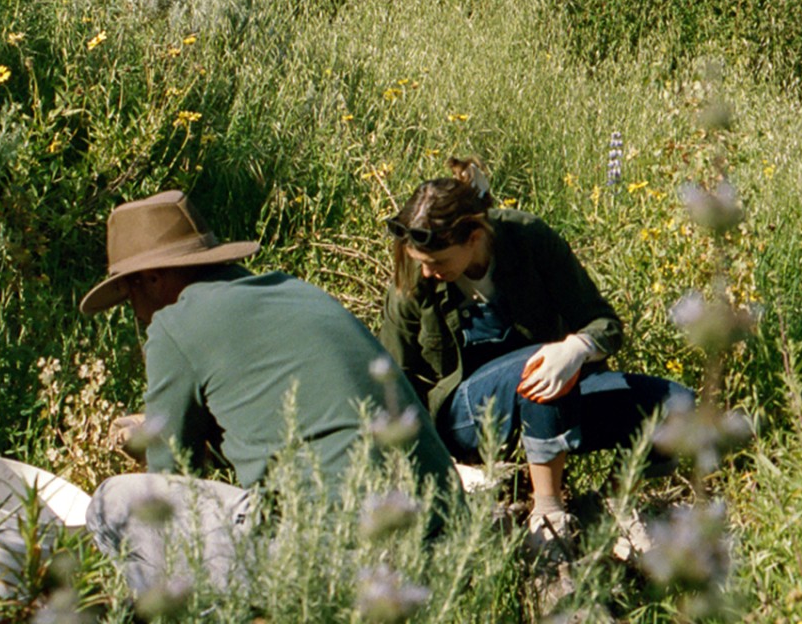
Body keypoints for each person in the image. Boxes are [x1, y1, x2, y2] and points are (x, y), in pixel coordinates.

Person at [80, 190, 452, 595]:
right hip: (446, 539)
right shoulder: (293, 291)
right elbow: (290, 426)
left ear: (152, 277)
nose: (134, 309)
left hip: (343, 556)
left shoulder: (174, 324)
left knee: (112, 502)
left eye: (129, 290)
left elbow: (170, 483)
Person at [378, 158, 693, 551]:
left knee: (678, 404)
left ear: (474, 236)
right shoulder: (415, 278)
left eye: (438, 262)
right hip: (466, 420)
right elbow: (392, 383)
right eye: (422, 264)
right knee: (541, 362)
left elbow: (604, 323)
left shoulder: (528, 239)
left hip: (554, 399)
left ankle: (611, 502)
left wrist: (578, 348)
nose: (426, 273)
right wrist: (438, 462)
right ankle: (548, 516)